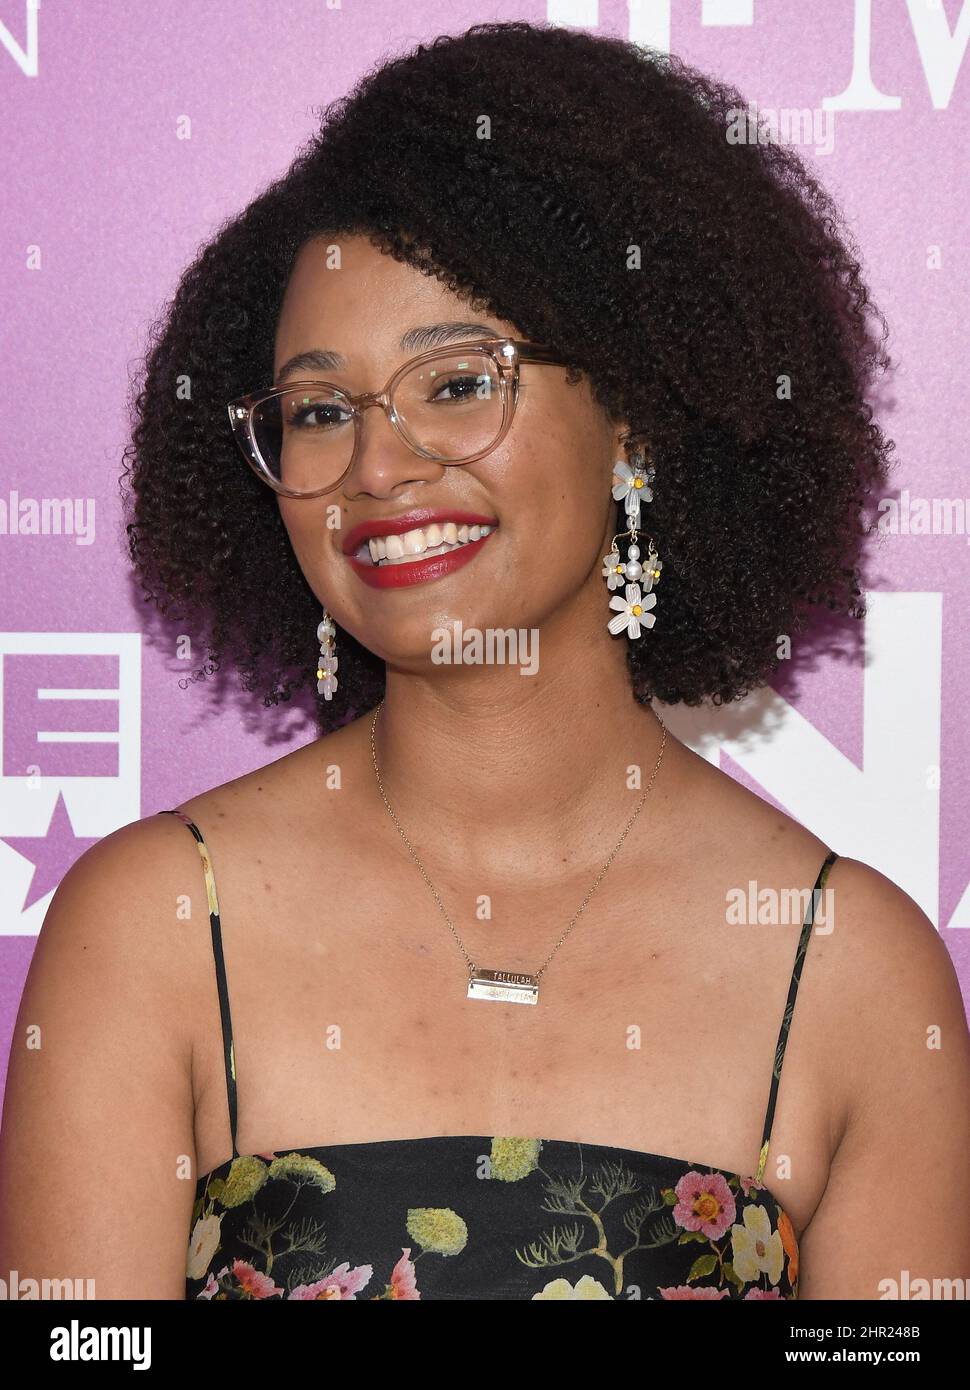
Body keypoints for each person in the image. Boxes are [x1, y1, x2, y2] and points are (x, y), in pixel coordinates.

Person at [2, 20, 968, 1302]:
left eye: (457, 383)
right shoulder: (158, 927)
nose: (379, 467)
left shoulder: (847, 968)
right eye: (321, 410)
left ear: (637, 409)